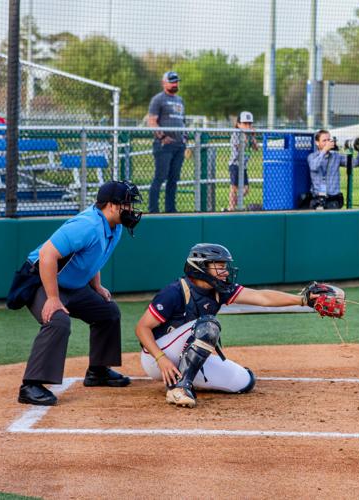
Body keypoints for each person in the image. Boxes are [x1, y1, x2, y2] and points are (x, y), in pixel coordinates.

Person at [135, 243, 330, 408]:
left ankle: (183, 377)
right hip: (156, 357)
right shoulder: (175, 292)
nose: (225, 271)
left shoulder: (220, 290)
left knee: (244, 381)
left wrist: (303, 300)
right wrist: (161, 358)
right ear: (201, 267)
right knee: (208, 325)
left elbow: (261, 297)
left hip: (181, 358)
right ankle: (179, 388)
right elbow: (141, 328)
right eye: (219, 266)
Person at [17, 181, 143, 406]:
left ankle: (98, 371)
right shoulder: (87, 225)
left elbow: (92, 258)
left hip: (72, 285)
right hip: (40, 280)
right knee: (57, 320)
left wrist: (96, 286)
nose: (131, 209)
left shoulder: (116, 227)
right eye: (127, 204)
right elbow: (47, 255)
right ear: (112, 206)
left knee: (108, 311)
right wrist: (53, 299)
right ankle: (31, 385)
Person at [147, 71, 187, 214]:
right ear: (164, 83)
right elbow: (152, 121)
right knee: (160, 177)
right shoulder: (158, 99)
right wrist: (163, 137)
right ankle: (153, 210)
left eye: (176, 81)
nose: (175, 84)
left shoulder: (180, 100)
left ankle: (170, 210)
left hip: (179, 145)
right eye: (172, 81)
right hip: (164, 146)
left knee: (173, 179)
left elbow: (183, 122)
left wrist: (185, 139)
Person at [307, 130, 359, 209]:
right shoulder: (312, 156)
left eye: (328, 140)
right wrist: (324, 151)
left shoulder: (336, 156)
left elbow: (356, 163)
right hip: (317, 200)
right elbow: (314, 166)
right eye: (324, 141)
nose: (327, 143)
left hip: (333, 201)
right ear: (317, 142)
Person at [228, 111, 259, 211]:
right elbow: (239, 147)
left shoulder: (249, 135)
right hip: (235, 164)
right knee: (234, 187)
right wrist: (246, 137)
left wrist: (253, 137)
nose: (248, 126)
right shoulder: (236, 134)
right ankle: (231, 207)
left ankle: (233, 204)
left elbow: (256, 148)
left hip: (244, 166)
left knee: (246, 189)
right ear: (238, 124)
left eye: (249, 124)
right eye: (245, 124)